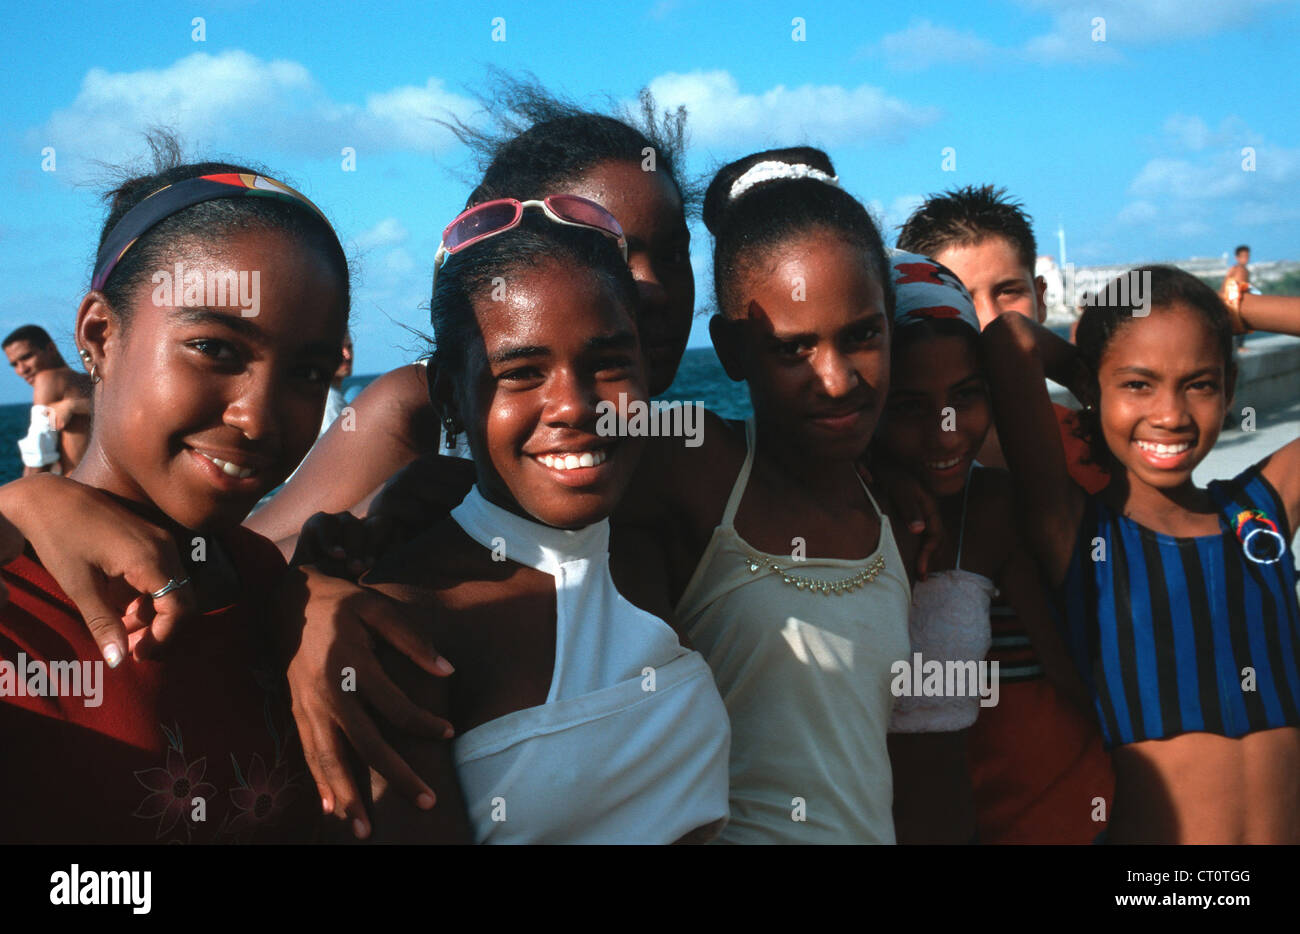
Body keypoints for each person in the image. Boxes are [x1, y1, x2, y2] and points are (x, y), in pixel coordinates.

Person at [327, 196, 730, 843]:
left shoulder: (653, 534)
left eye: (608, 363)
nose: (573, 404)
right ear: (449, 397)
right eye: (520, 373)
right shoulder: (407, 619)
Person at [0, 140, 349, 843]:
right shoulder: (19, 604)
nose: (258, 416)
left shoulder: (269, 585)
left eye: (308, 373)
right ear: (99, 333)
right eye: (215, 349)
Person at [244, 77, 698, 553]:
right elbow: (240, 569)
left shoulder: (684, 446)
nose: (652, 289)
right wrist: (367, 522)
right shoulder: (419, 410)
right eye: (609, 250)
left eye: (673, 254)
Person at [983, 265, 1300, 843]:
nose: (1171, 415)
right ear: (1093, 388)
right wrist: (1088, 377)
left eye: (1200, 383)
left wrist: (1241, 309)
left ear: (1229, 388)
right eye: (1137, 384)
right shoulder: (1076, 530)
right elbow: (1010, 339)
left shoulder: (1261, 512)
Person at [899, 184, 1115, 844]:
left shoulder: (1103, 449)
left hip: (1093, 812)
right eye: (963, 298)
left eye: (1009, 294)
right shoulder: (896, 479)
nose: (989, 324)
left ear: (1042, 299)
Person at [3, 325, 92, 475]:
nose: (21, 370)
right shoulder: (93, 382)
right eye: (14, 364)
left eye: (26, 357)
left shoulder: (47, 379)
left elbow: (39, 457)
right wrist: (73, 405)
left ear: (50, 349)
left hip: (72, 490)